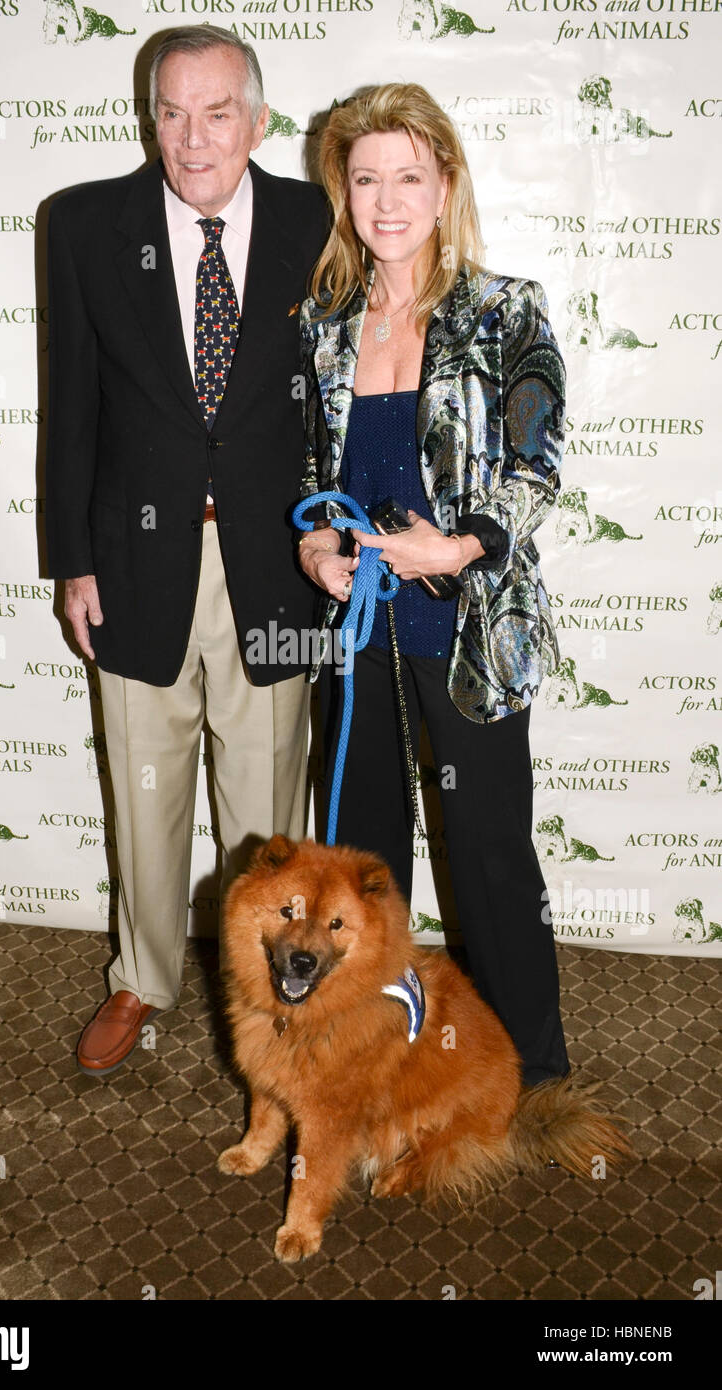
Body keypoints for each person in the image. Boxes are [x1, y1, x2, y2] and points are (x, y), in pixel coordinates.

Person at [45, 26, 329, 1075]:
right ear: (148, 116)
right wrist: (74, 559)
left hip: (280, 570)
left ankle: (276, 993)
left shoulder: (318, 217)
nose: (192, 136)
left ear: (258, 120)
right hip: (133, 564)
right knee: (147, 791)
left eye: (217, 113)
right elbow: (69, 404)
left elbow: (339, 398)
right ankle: (141, 979)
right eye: (172, 111)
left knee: (266, 815)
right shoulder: (82, 224)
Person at [296, 83, 570, 1087]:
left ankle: (530, 1076)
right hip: (360, 635)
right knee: (363, 864)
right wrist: (317, 549)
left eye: (407, 175)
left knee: (491, 857)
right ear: (344, 193)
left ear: (443, 182)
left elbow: (535, 470)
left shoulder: (505, 312)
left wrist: (453, 549)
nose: (386, 199)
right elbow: (311, 486)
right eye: (365, 178)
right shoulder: (323, 326)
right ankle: (380, 1059)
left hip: (468, 627)